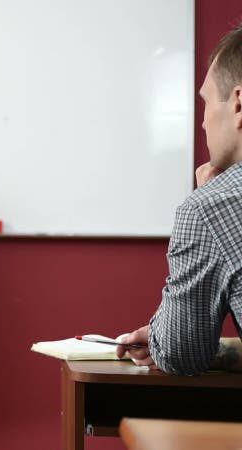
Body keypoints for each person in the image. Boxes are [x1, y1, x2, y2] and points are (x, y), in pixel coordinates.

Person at [117, 24, 242, 375]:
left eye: (205, 102)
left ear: (238, 104)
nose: (202, 123)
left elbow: (180, 354)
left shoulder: (211, 207)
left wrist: (160, 337)